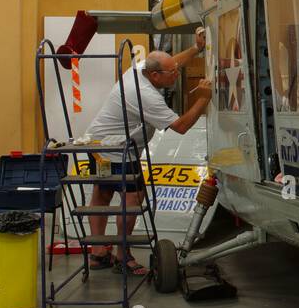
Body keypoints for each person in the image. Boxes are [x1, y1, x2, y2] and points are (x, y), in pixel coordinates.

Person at [82, 30, 211, 274]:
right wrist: (203, 99)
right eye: (172, 73)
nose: (177, 73)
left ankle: (98, 254)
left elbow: (173, 63)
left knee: (103, 192)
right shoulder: (145, 95)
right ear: (154, 75)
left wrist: (196, 48)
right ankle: (123, 257)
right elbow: (181, 127)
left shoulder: (140, 69)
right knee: (132, 198)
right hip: (117, 150)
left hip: (98, 144)